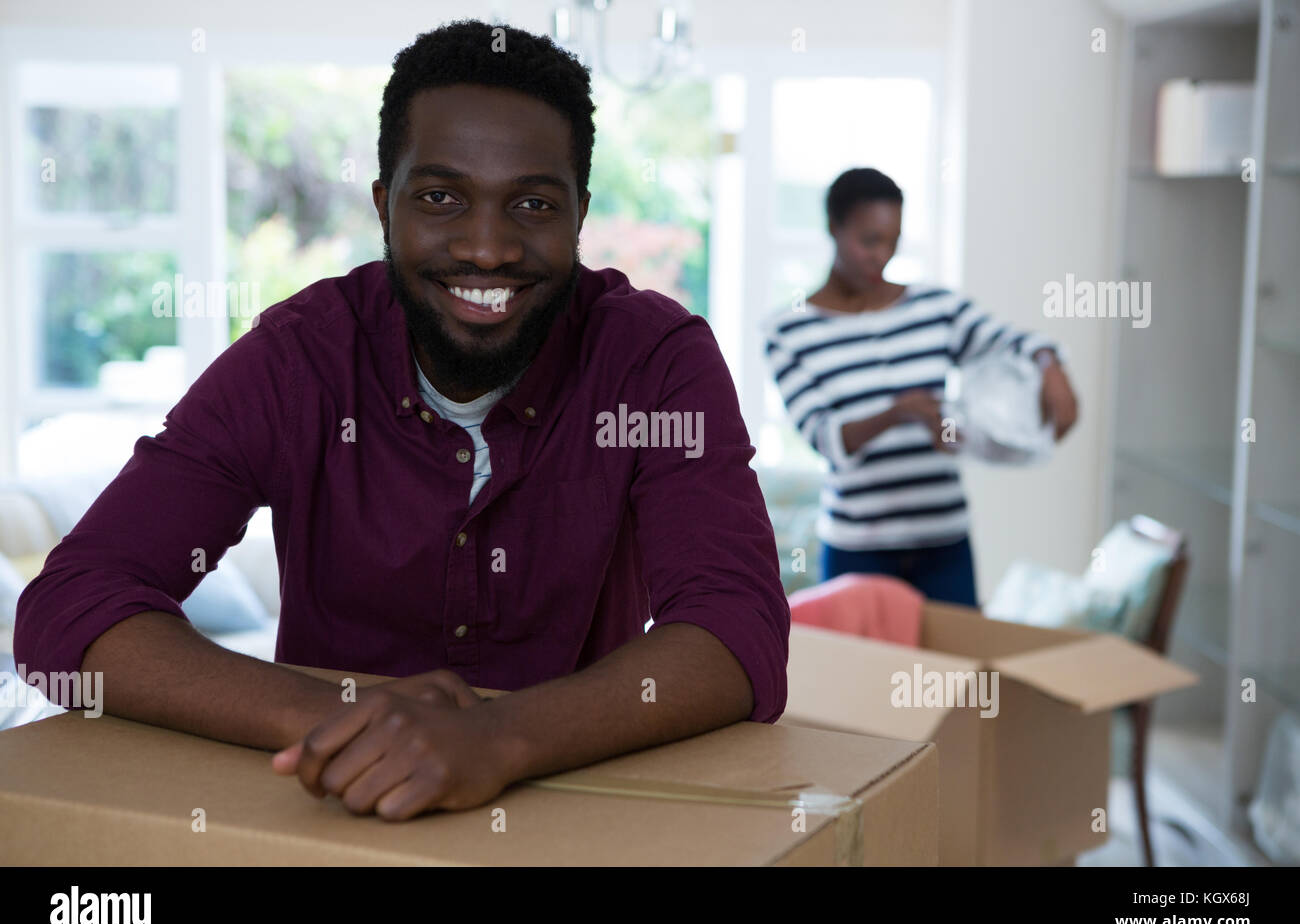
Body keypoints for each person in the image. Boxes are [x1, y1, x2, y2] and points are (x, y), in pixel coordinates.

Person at [14, 20, 789, 821]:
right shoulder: (298, 360)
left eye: (531, 203)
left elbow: (738, 633)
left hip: (566, 814)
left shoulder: (655, 360)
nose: (487, 249)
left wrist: (495, 739)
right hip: (327, 813)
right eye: (440, 197)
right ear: (385, 205)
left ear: (579, 216)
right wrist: (351, 727)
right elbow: (71, 607)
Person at [764, 168, 1078, 607]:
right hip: (858, 549)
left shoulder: (935, 308)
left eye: (892, 241)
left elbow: (1013, 343)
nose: (882, 255)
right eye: (868, 240)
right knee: (860, 676)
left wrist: (1051, 367)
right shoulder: (788, 332)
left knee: (954, 675)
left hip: (944, 544)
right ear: (834, 229)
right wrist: (900, 412)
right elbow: (825, 438)